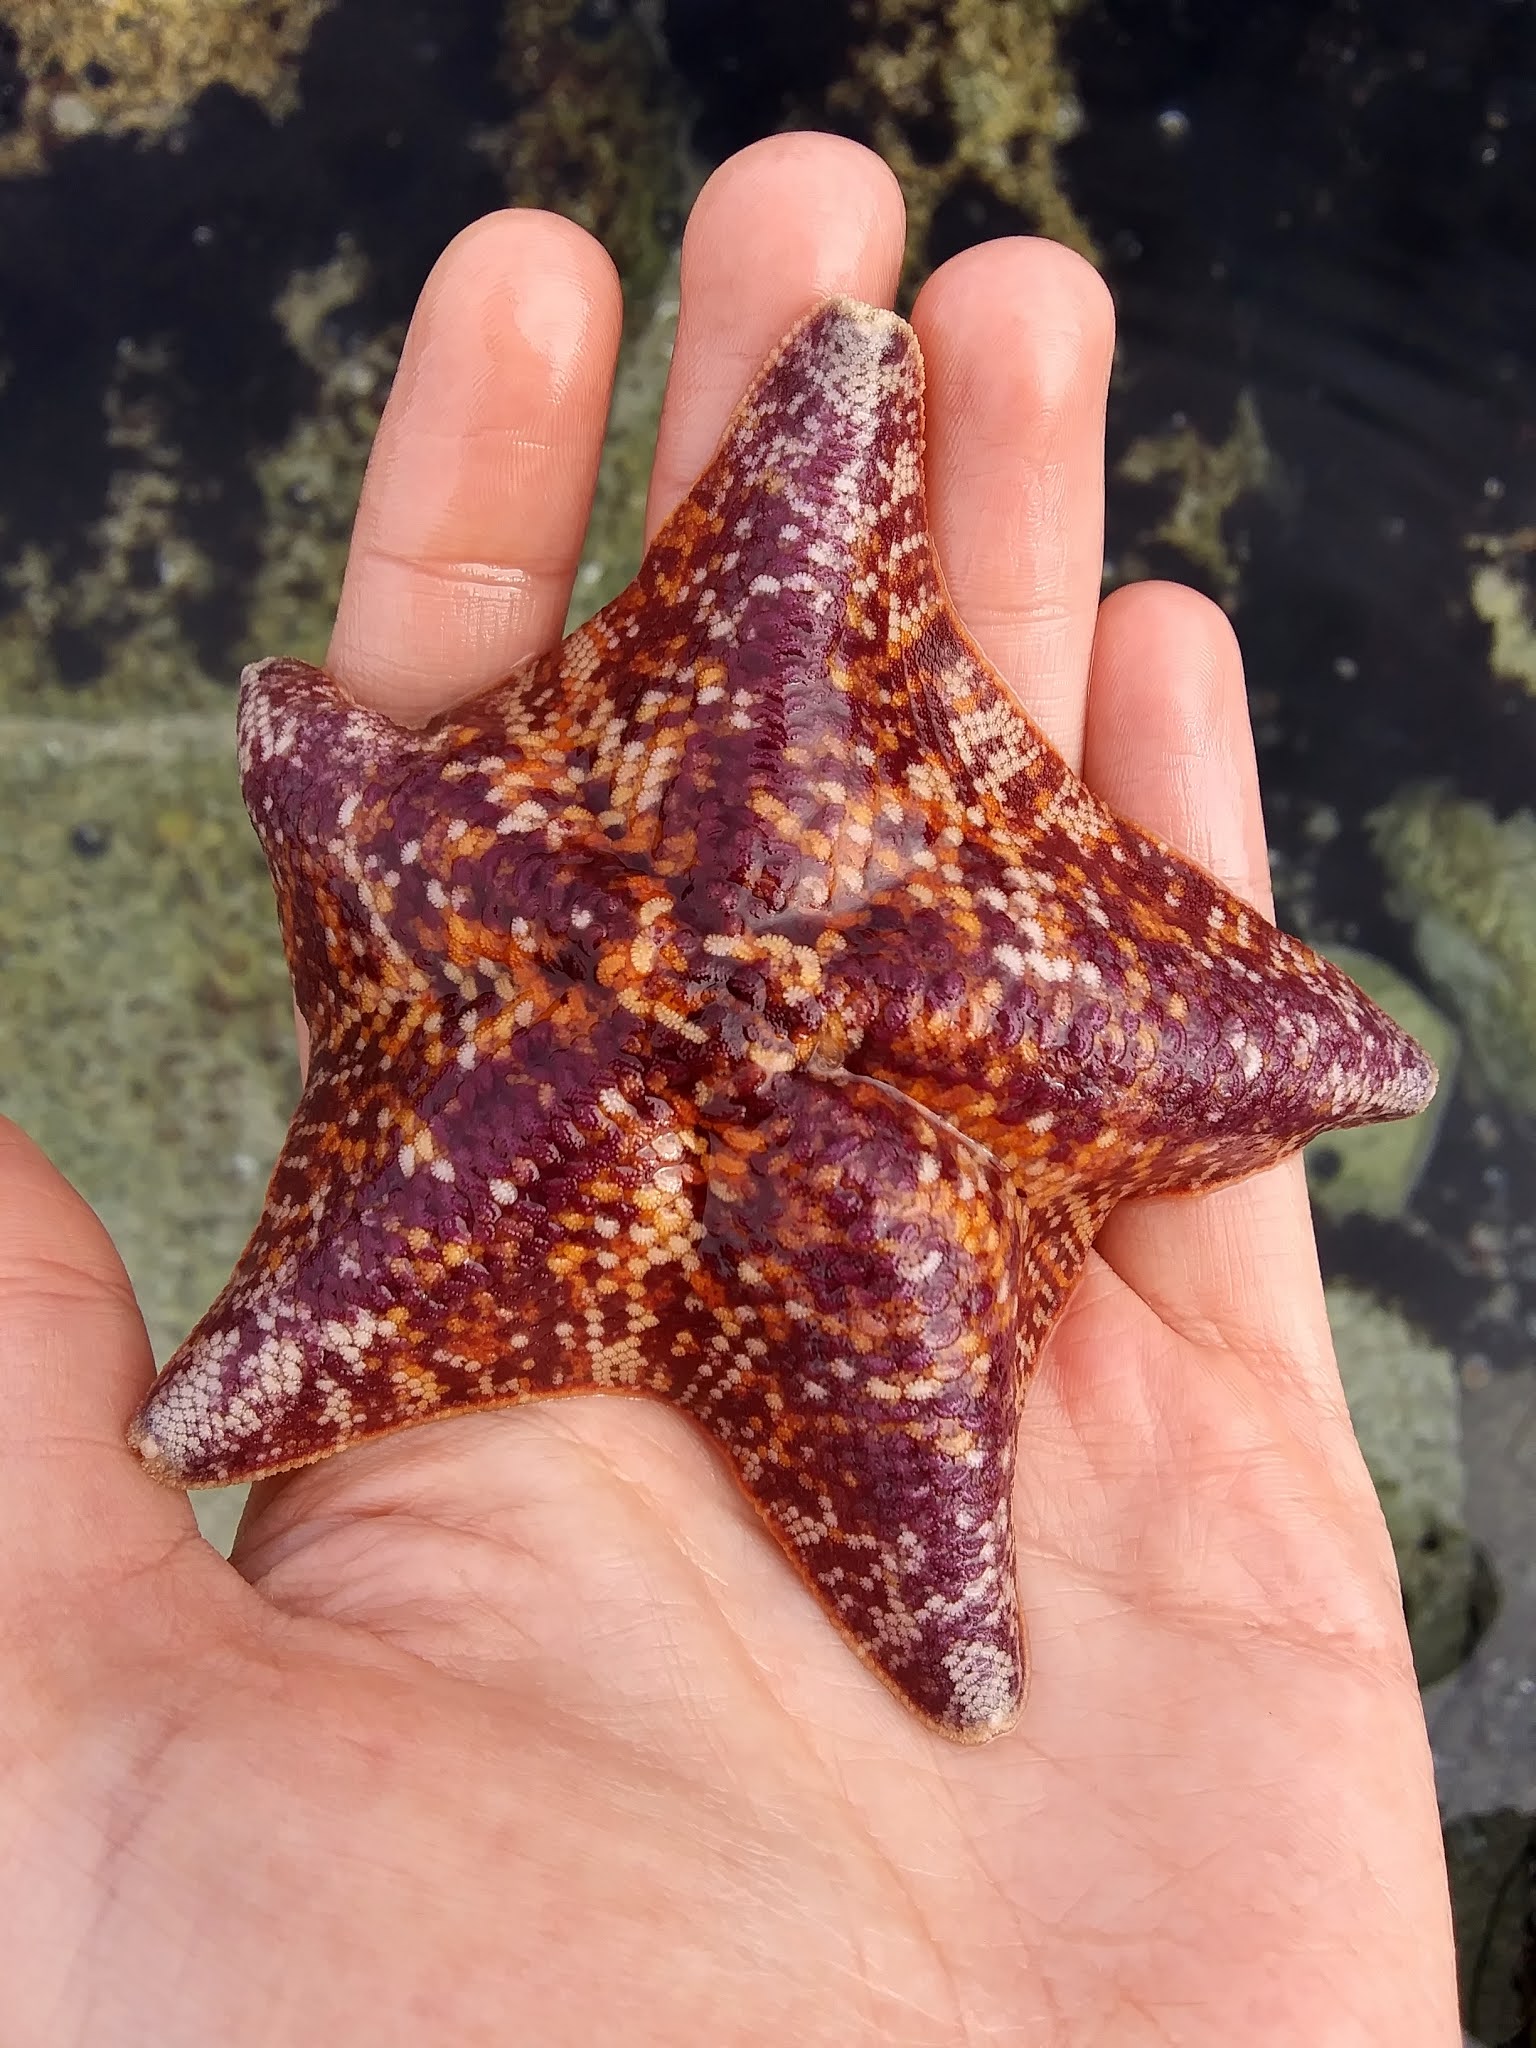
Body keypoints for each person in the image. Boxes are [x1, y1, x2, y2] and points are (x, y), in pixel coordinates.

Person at [0, 134, 1459, 2044]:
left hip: (724, 991)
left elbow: (346, 777)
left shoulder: (681, 842)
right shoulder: (596, 857)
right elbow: (353, 785)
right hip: (669, 978)